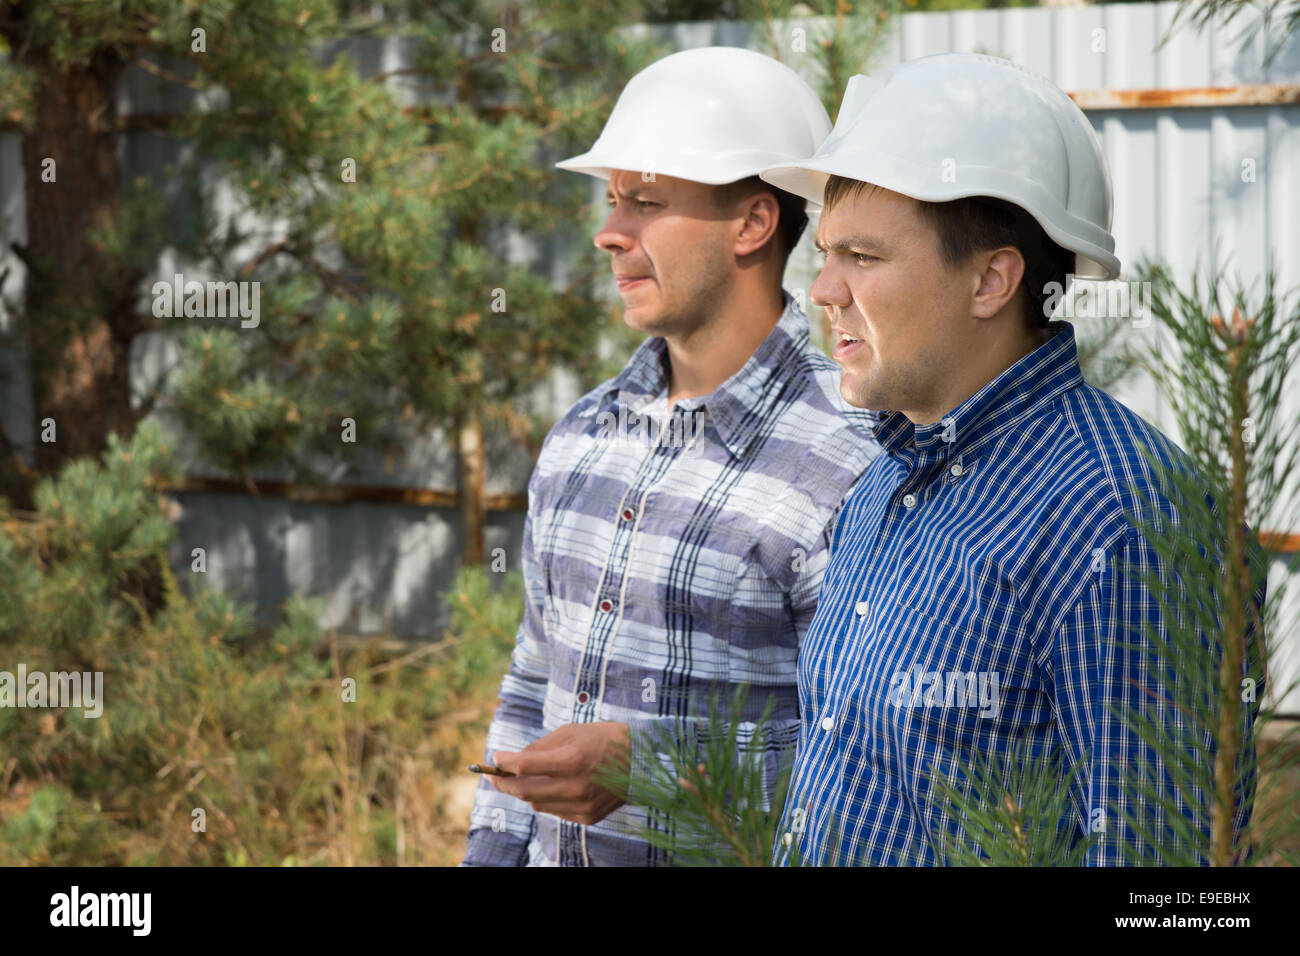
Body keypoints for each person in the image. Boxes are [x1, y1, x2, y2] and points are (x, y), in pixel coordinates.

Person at [759, 52, 1264, 866]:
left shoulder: (1125, 516)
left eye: (864, 256)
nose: (823, 290)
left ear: (991, 280)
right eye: (826, 254)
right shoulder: (891, 476)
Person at [461, 46, 882, 866]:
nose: (608, 232)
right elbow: (529, 681)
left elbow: (867, 759)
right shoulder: (582, 437)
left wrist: (651, 766)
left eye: (646, 201)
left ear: (754, 224)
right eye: (614, 199)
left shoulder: (854, 459)